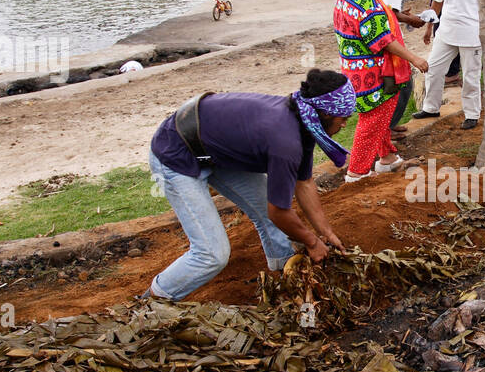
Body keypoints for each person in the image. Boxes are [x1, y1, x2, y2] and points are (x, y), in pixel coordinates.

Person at [145, 72, 352, 298]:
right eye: (342, 118)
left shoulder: (305, 120)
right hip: (176, 152)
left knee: (270, 206)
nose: (344, 124)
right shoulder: (286, 143)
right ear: (323, 112)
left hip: (212, 147)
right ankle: (149, 304)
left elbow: (305, 182)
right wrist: (312, 242)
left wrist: (326, 232)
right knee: (212, 255)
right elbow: (278, 213)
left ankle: (285, 275)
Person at [334, 0, 430, 181]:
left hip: (354, 72)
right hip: (374, 75)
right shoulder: (365, 0)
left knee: (379, 117)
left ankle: (386, 158)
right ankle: (357, 173)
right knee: (372, 121)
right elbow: (383, 40)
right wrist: (414, 58)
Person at [416, 0, 481, 129]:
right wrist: (429, 27)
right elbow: (437, 2)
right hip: (446, 30)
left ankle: (471, 113)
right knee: (433, 68)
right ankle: (430, 107)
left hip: (471, 33)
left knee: (471, 75)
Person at [376, 0, 429, 139]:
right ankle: (387, 127)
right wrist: (412, 20)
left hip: (377, 32)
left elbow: (385, 9)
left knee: (391, 81)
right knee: (402, 81)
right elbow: (390, 10)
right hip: (386, 37)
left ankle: (388, 124)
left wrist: (401, 16)